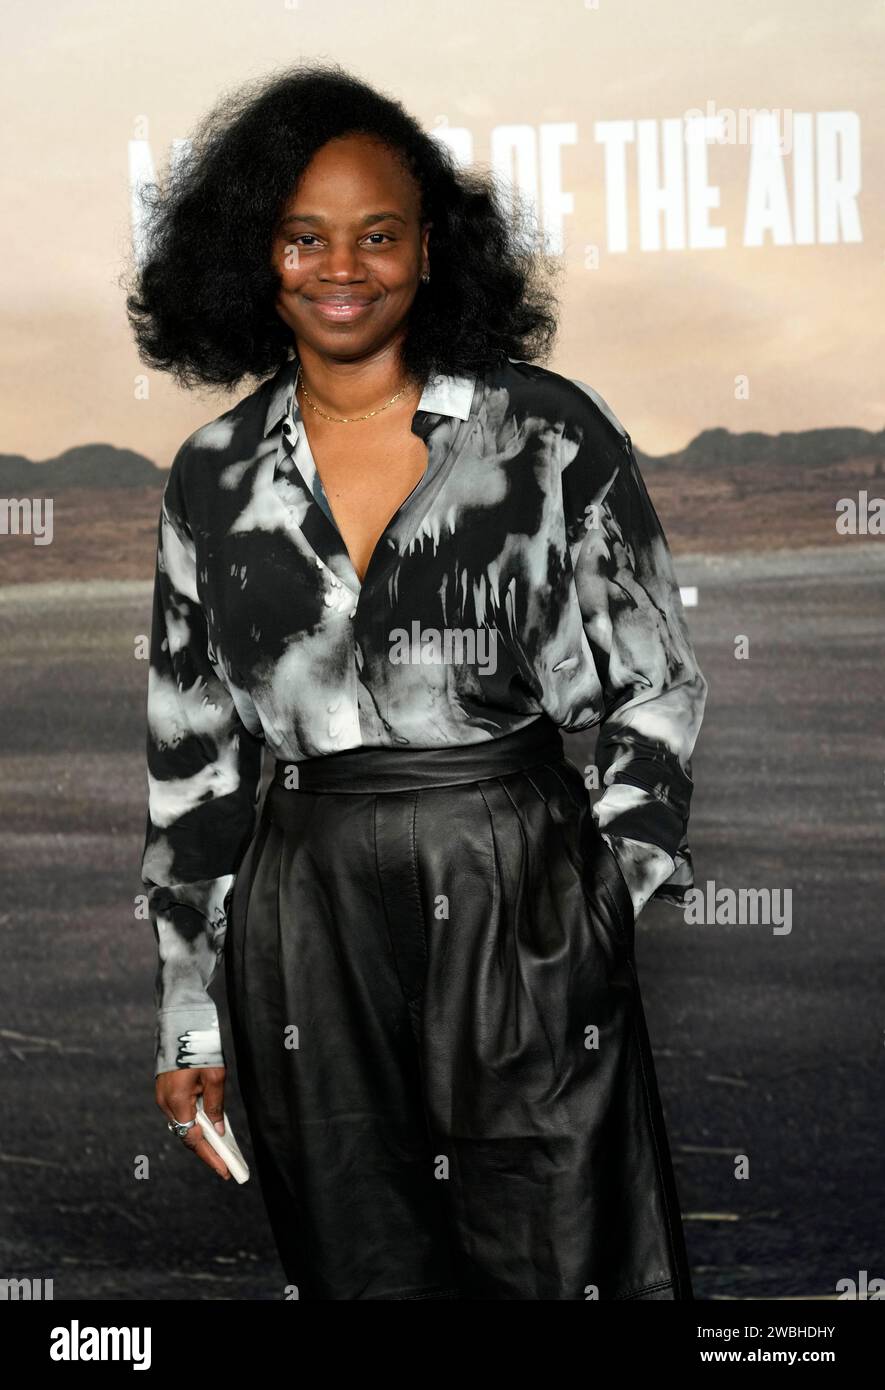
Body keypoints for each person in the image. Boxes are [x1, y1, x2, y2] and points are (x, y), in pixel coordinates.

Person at [126, 61, 708, 1301]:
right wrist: (194, 1014)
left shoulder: (546, 435)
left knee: (562, 1258)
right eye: (306, 238)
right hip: (305, 918)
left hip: (518, 888)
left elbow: (655, 687)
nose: (345, 268)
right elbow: (194, 776)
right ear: (256, 258)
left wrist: (595, 901)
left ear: (433, 252)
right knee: (362, 1266)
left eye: (379, 235)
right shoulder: (213, 475)